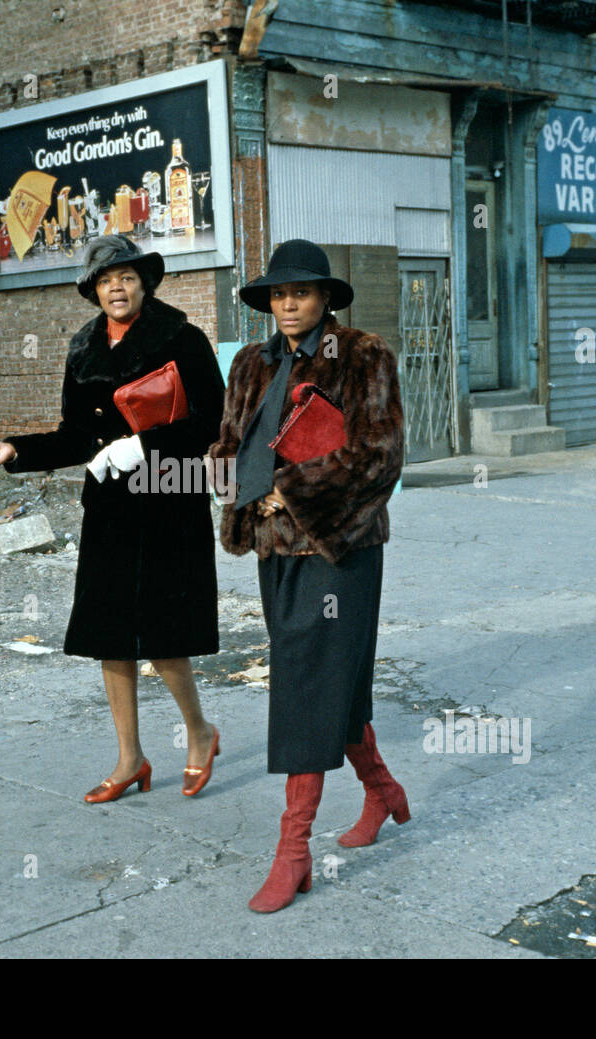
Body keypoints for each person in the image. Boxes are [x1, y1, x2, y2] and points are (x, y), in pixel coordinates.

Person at [0, 235, 224, 802]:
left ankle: (200, 732)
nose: (117, 287)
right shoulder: (83, 347)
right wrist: (16, 449)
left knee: (163, 632)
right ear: (93, 290)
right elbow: (75, 436)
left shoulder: (182, 338)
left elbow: (214, 419)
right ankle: (130, 758)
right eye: (106, 280)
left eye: (127, 277)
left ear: (144, 283)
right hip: (109, 504)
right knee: (110, 633)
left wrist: (146, 445)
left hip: (167, 498)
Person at [206, 239, 409, 913]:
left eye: (301, 292)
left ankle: (293, 852)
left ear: (325, 298)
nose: (287, 303)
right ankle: (381, 791)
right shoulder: (249, 363)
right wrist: (235, 482)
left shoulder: (361, 355)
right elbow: (228, 446)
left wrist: (290, 490)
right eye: (277, 293)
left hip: (337, 549)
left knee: (305, 683)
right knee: (332, 684)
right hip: (273, 549)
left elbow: (379, 455)